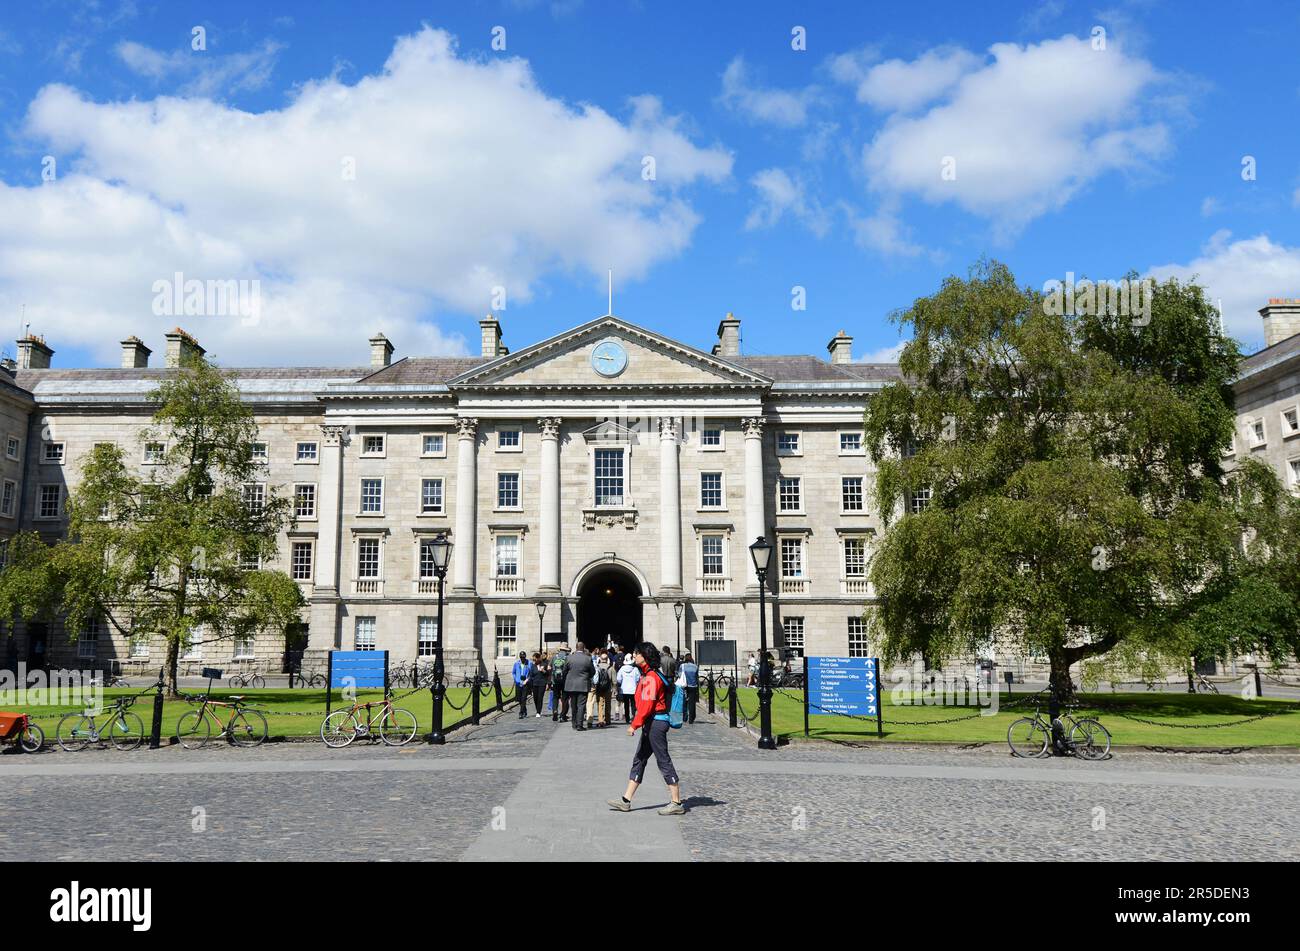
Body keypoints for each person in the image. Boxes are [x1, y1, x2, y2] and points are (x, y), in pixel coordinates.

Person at [607, 642, 684, 816]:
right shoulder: (649, 674)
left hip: (655, 722)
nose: (634, 656)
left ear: (645, 656)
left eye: (636, 653)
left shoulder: (650, 677)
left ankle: (676, 802)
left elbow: (647, 705)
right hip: (652, 722)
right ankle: (626, 800)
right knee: (640, 759)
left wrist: (634, 724)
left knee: (663, 760)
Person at [563, 642, 595, 731]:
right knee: (581, 705)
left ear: (576, 648)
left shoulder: (569, 658)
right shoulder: (588, 659)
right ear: (583, 648)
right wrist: (587, 676)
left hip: (571, 684)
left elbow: (564, 671)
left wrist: (568, 678)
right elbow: (593, 672)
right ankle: (579, 724)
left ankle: (574, 723)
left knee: (573, 705)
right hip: (583, 684)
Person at [590, 648, 613, 727]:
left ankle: (600, 720)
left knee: (600, 704)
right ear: (607, 659)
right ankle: (608, 719)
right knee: (608, 704)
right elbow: (615, 680)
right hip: (608, 688)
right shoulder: (611, 668)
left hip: (599, 688)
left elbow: (595, 678)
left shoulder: (597, 667)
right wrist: (615, 688)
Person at [616, 652, 640, 723]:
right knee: (633, 704)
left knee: (626, 704)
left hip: (624, 689)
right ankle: (633, 716)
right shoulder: (635, 669)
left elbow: (618, 679)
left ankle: (627, 718)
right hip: (633, 689)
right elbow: (638, 678)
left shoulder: (622, 669)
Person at [679, 652, 699, 725]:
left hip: (685, 686)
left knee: (684, 701)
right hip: (693, 686)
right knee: (692, 703)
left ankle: (684, 717)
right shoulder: (695, 667)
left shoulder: (682, 666)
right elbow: (696, 676)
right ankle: (691, 718)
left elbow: (679, 675)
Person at [512, 651, 534, 718]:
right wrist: (516, 680)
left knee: (524, 698)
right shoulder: (516, 663)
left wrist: (527, 680)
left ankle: (521, 712)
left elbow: (531, 674)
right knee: (519, 699)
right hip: (518, 684)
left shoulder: (529, 663)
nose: (522, 659)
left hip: (525, 684)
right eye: (521, 657)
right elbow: (513, 673)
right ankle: (524, 710)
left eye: (523, 657)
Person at [551, 646, 570, 722]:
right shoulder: (567, 657)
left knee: (555, 697)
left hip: (555, 680)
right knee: (565, 698)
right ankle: (563, 715)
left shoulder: (554, 657)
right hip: (565, 680)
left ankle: (555, 710)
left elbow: (549, 667)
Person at [528, 652, 548, 718]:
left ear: (538, 658)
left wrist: (543, 671)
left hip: (542, 683)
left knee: (540, 698)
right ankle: (538, 709)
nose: (534, 661)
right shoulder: (533, 666)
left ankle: (538, 712)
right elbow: (531, 675)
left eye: (535, 659)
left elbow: (547, 674)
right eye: (533, 660)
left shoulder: (544, 664)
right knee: (535, 698)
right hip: (535, 684)